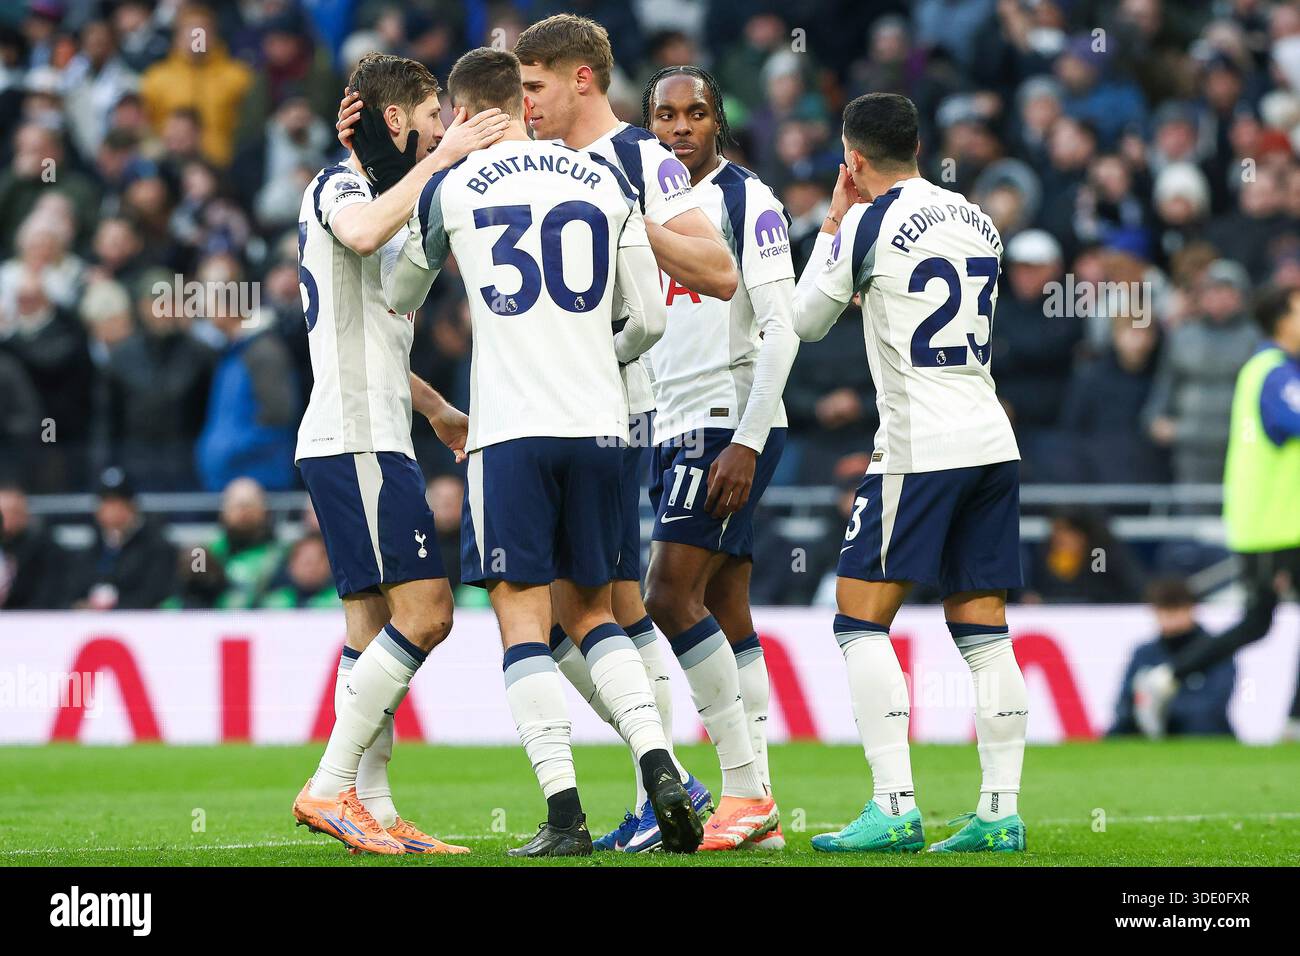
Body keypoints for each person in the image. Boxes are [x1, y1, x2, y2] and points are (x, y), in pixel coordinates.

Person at [384, 47, 700, 857]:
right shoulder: (608, 181)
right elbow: (653, 322)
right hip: (602, 425)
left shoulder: (452, 186)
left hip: (512, 429)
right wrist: (596, 352)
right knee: (595, 609)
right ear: (522, 105)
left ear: (462, 115)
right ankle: (661, 764)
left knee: (524, 618)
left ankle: (565, 816)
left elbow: (396, 297)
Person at [514, 11, 735, 853]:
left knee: (580, 607)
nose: (524, 101)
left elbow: (717, 270)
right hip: (553, 406)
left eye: (535, 85)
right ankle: (668, 778)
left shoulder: (639, 158)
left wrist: (622, 216)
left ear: (580, 79)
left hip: (611, 405)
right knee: (605, 607)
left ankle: (671, 778)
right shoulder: (545, 164)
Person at [792, 93, 1029, 853]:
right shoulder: (980, 220)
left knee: (858, 619)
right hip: (991, 440)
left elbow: (803, 320)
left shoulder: (864, 219)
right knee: (984, 632)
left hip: (921, 448)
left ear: (852, 161)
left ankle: (894, 805)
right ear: (920, 145)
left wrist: (833, 223)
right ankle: (999, 813)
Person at [289, 52, 509, 857]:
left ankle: (372, 808)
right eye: (433, 116)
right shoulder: (343, 188)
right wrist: (447, 162)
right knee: (430, 615)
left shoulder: (384, 194)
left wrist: (438, 406)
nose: (442, 129)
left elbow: (366, 332)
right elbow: (357, 230)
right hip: (356, 440)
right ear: (395, 120)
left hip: (369, 432)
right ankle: (329, 783)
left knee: (370, 629)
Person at [637, 65, 800, 851]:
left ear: (717, 122)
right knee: (727, 604)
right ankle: (758, 810)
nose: (678, 128)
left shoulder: (746, 200)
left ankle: (743, 791)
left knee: (667, 593)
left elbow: (783, 329)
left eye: (695, 114)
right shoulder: (644, 206)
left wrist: (747, 438)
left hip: (722, 423)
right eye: (664, 115)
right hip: (668, 423)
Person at [1136, 286, 1300, 740]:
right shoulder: (1273, 372)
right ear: (1281, 321)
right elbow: (1292, 423)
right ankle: (1167, 679)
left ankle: (1166, 680)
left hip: (1278, 521)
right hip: (1274, 525)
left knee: (1258, 621)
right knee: (1256, 622)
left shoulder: (1281, 371)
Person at [1110, 578, 1235, 738]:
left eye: (1176, 609)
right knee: (1118, 732)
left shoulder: (1215, 650)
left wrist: (1164, 709)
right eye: (1163, 610)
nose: (1170, 618)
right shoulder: (1144, 652)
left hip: (1199, 731)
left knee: (1202, 725)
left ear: (1191, 609)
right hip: (1150, 727)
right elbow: (1125, 701)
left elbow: (1214, 703)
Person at [66, 468, 177, 610]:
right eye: (106, 502)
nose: (111, 510)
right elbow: (73, 591)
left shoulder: (156, 546)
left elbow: (154, 595)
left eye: (117, 502)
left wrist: (112, 609)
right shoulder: (92, 548)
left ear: (132, 506)